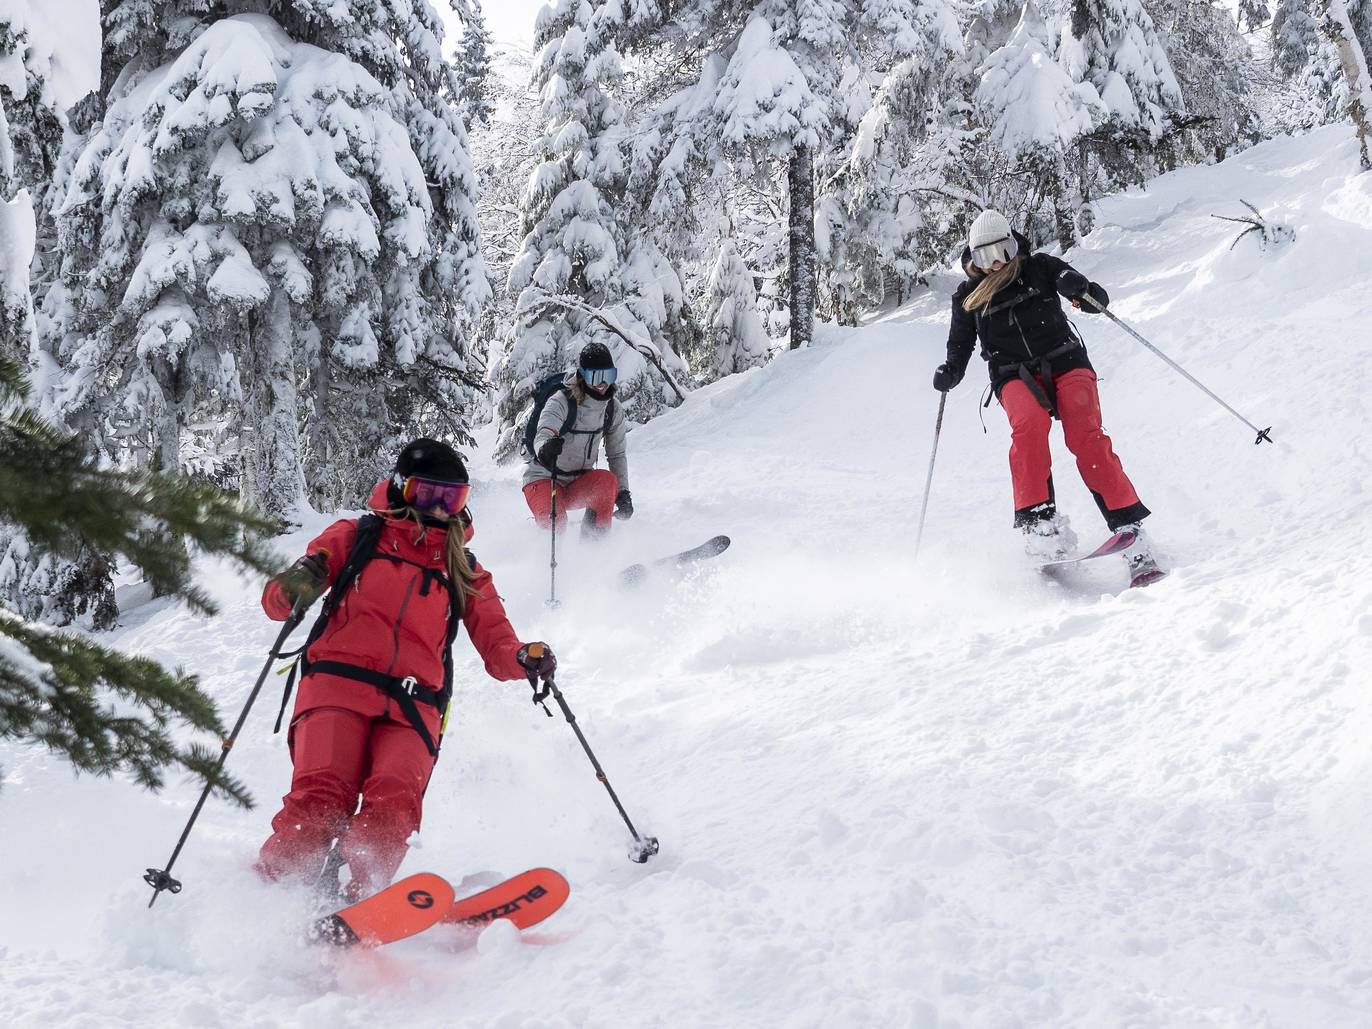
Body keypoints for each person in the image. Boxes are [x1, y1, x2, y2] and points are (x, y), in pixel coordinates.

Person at [255, 438, 558, 900]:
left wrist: (524, 657)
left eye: (451, 499)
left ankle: (358, 900)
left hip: (413, 706)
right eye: (427, 495)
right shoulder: (355, 538)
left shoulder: (464, 569)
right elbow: (276, 603)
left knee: (394, 806)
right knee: (321, 797)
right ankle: (270, 896)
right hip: (337, 685)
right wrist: (300, 582)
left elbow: (497, 643)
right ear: (400, 489)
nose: (438, 510)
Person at [933, 209, 1160, 582]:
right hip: (1013, 374)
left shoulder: (1039, 267)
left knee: (1085, 438)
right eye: (985, 257)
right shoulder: (967, 296)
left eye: (1003, 252)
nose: (996, 264)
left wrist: (1078, 288)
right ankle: (1041, 530)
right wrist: (951, 371)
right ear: (972, 259)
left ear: (1013, 244)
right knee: (1028, 429)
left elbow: (1097, 299)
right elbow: (960, 346)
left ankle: (1131, 534)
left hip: (1065, 359)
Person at [522, 341, 633, 537]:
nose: (602, 383)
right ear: (582, 377)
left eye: (608, 376)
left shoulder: (612, 409)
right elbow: (544, 432)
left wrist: (623, 493)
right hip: (545, 478)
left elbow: (616, 454)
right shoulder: (561, 401)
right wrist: (545, 448)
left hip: (577, 483)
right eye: (596, 377)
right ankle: (544, 562)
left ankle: (594, 550)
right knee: (556, 522)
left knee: (607, 482)